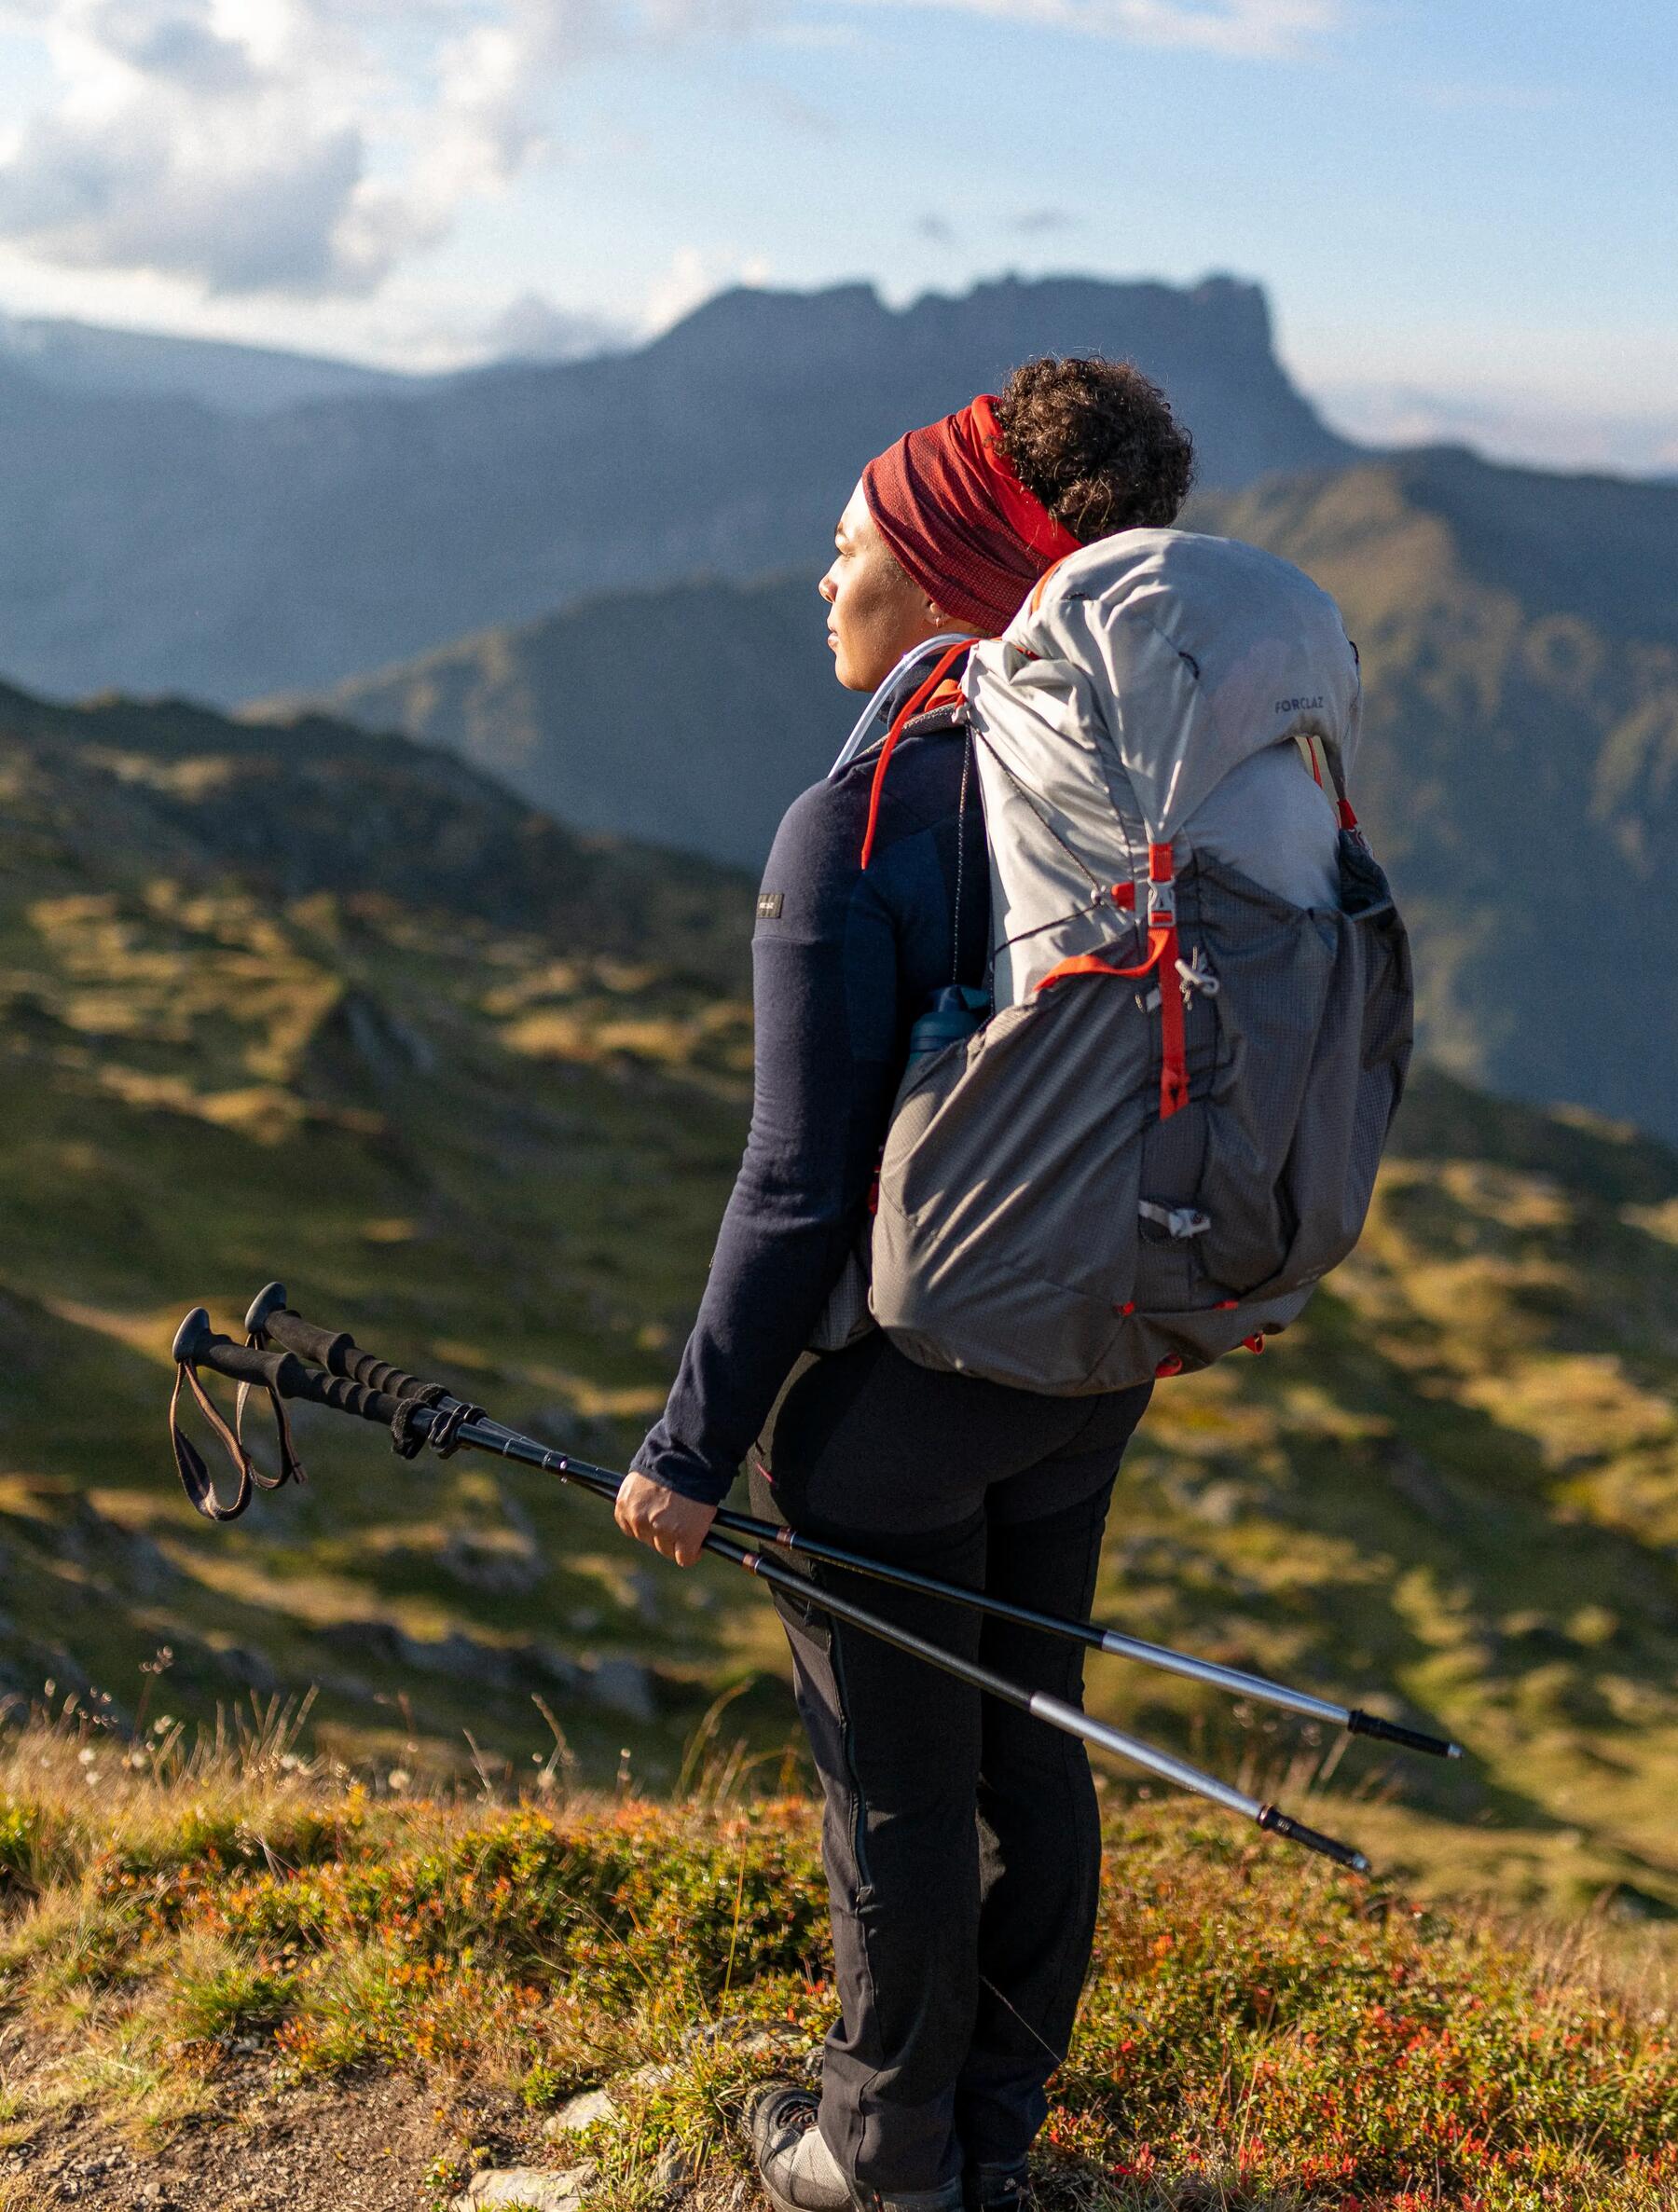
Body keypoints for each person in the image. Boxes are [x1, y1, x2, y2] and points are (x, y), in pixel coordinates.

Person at [615, 357, 1198, 2212]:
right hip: (1093, 1364)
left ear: (945, 569)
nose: (820, 573)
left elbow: (796, 1185)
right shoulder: (1147, 788)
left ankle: (880, 2151)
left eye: (850, 539)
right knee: (1029, 1740)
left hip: (896, 1415)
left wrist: (692, 1442)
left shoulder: (863, 820)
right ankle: (995, 2129)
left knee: (895, 1786)